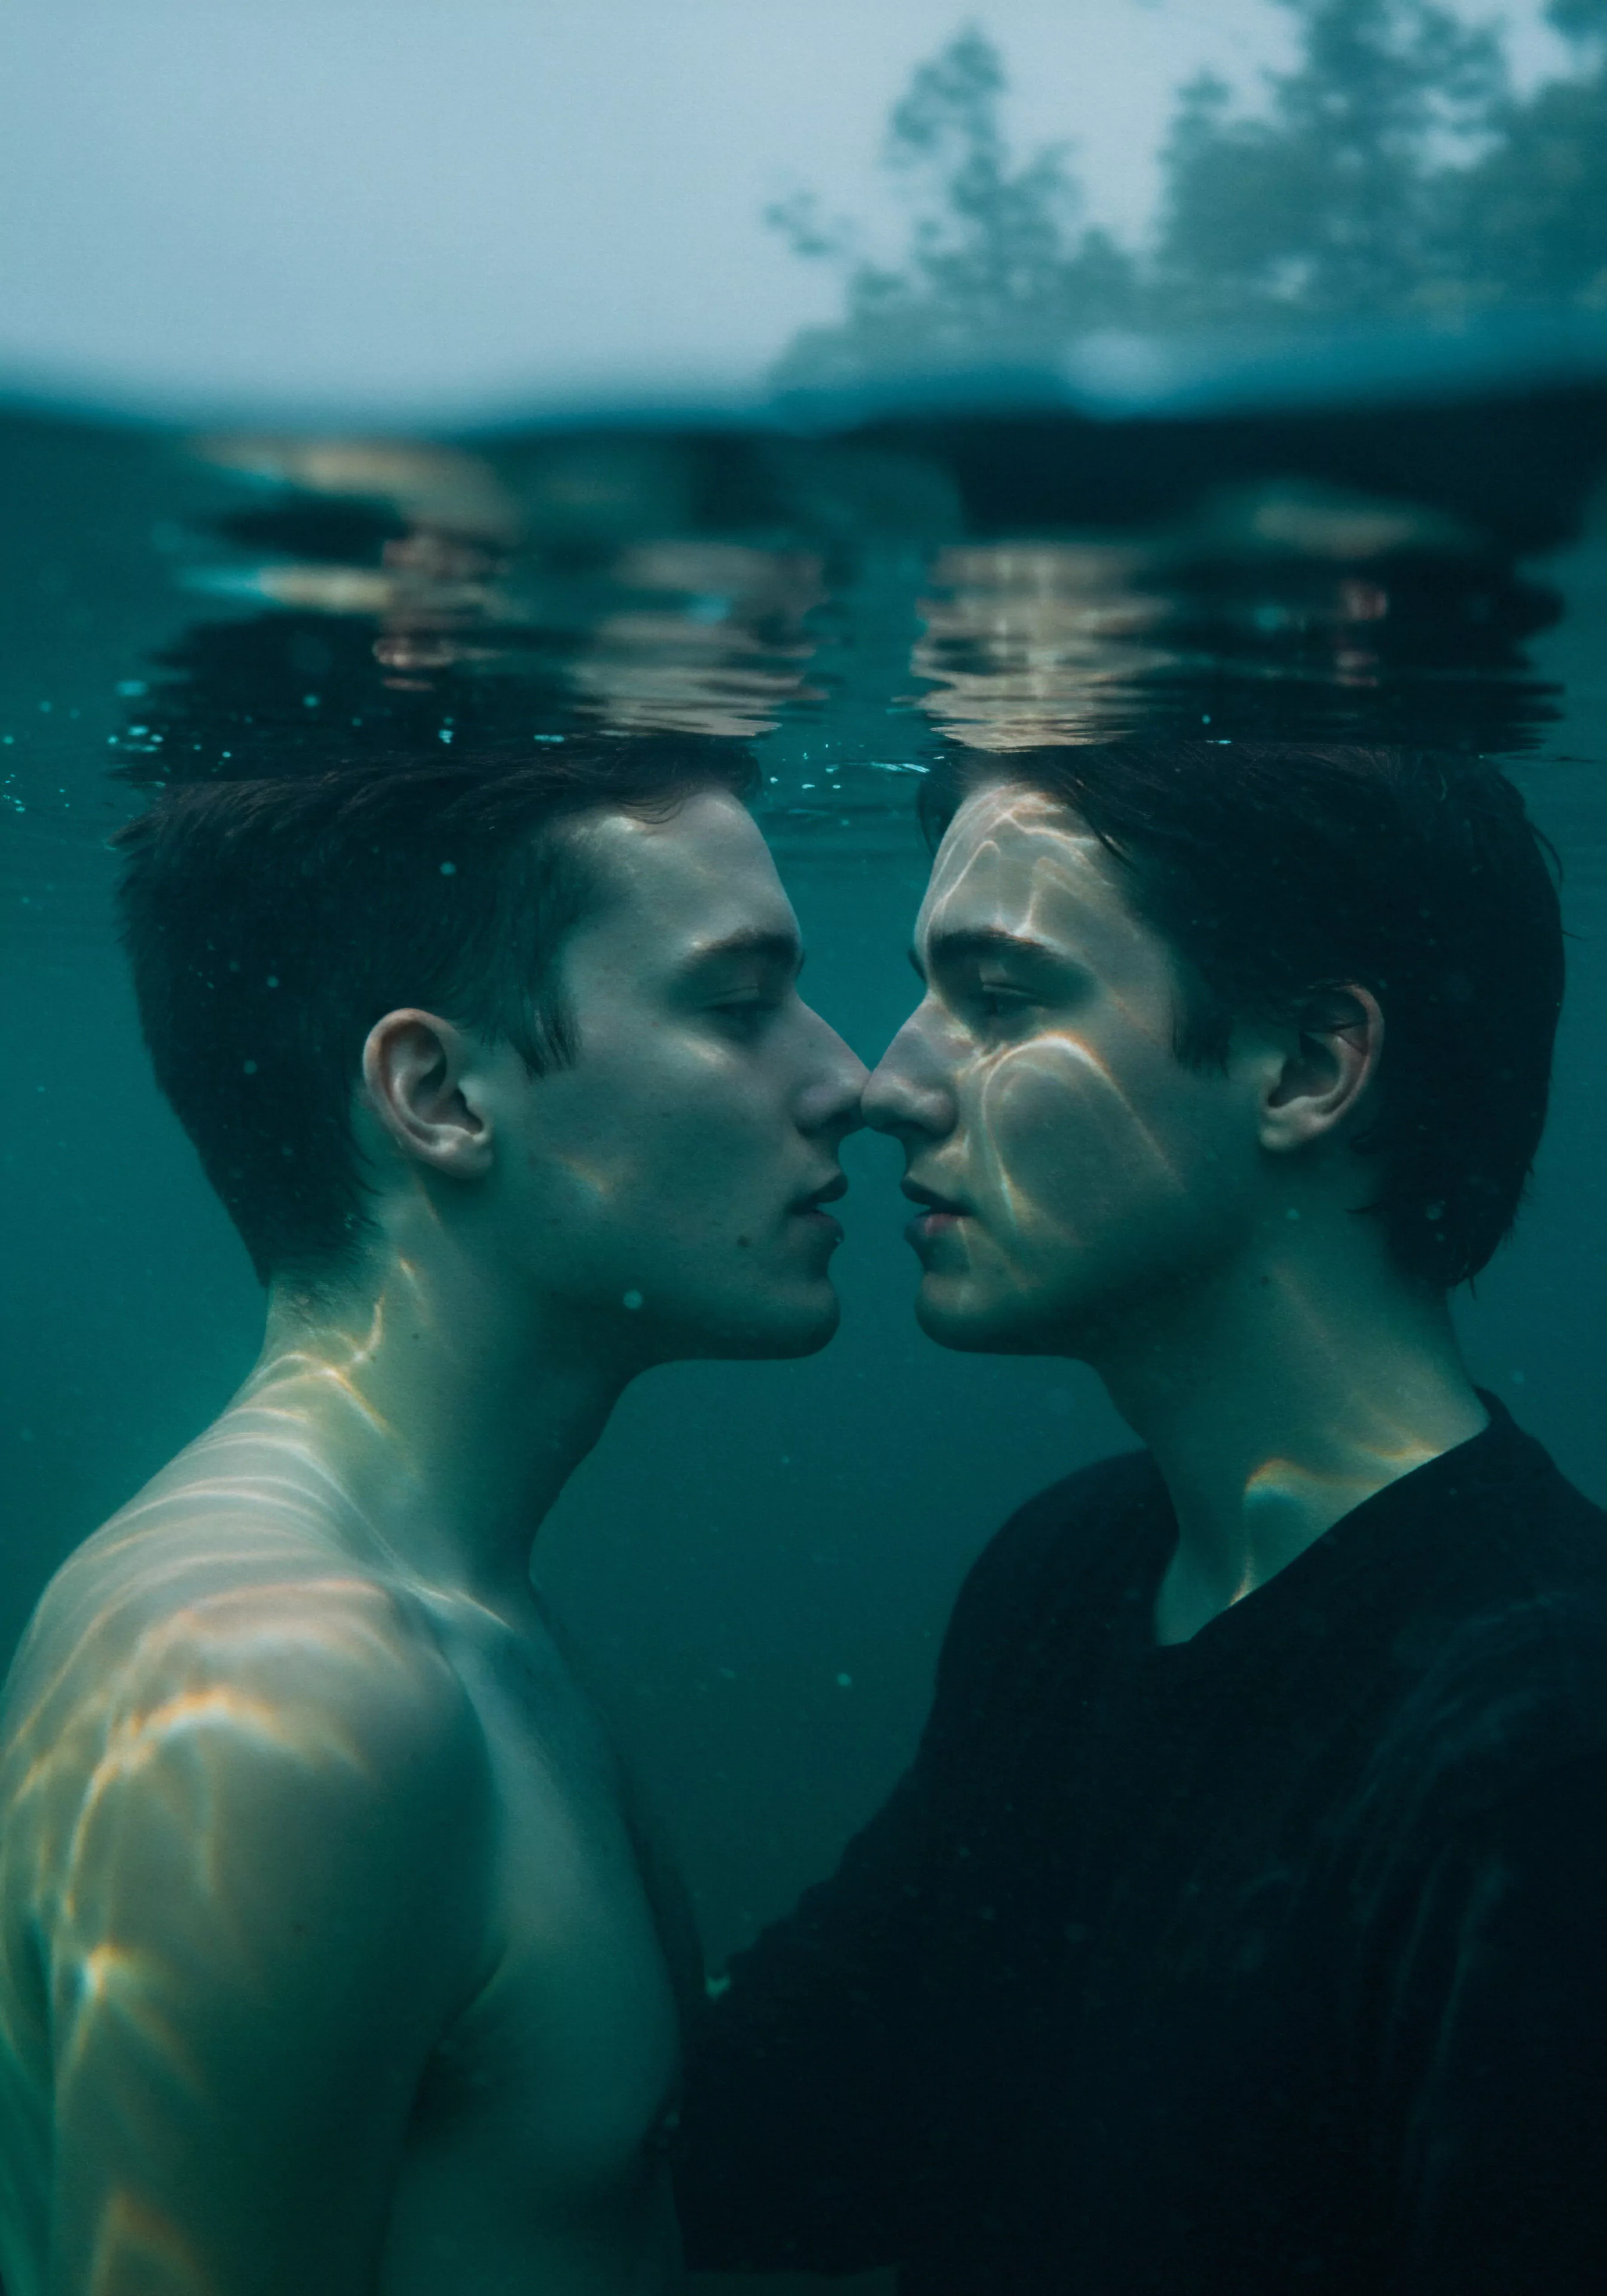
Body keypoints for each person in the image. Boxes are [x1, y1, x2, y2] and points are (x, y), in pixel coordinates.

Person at [676, 740, 1607, 2295]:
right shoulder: (1076, 1572)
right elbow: (774, 2148)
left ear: (1311, 1066)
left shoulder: (1535, 1746)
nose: (889, 1085)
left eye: (1003, 992)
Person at [0, 738, 864, 2296]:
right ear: (439, 1093)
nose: (846, 1080)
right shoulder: (284, 1681)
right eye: (738, 1006)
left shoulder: (418, 1601)